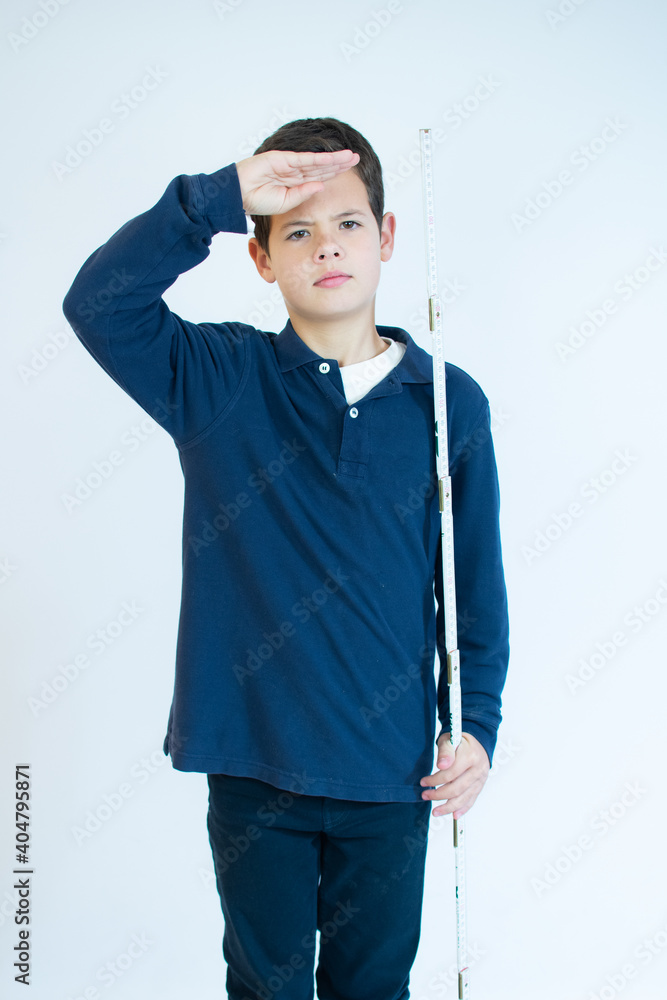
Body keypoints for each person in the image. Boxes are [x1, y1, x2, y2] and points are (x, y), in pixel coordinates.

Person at [62, 116, 509, 1000]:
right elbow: (99, 306)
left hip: (395, 775)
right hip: (254, 771)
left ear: (385, 237)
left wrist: (476, 729)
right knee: (265, 989)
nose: (326, 246)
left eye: (346, 223)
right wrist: (216, 200)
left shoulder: (447, 402)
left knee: (372, 989)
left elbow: (472, 594)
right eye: (295, 232)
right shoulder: (218, 378)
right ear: (262, 258)